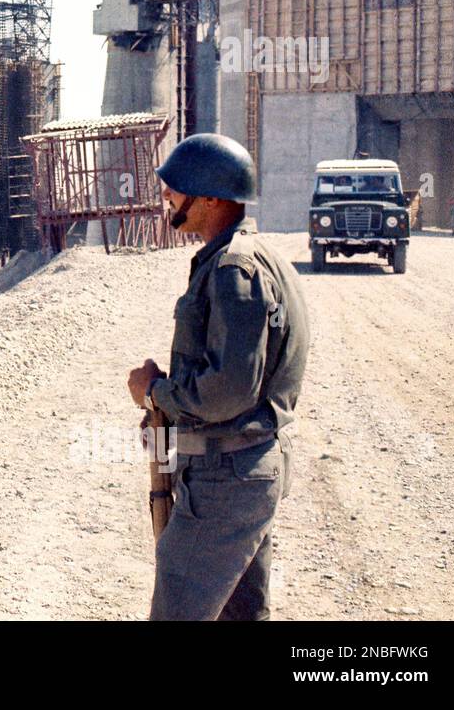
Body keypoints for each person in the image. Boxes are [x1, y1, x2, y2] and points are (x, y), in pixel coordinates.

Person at [126, 133, 309, 620]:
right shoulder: (254, 257)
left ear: (209, 198)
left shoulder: (235, 270)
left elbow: (229, 390)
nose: (167, 195)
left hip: (227, 480)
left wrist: (154, 392)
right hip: (242, 471)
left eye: (177, 187)